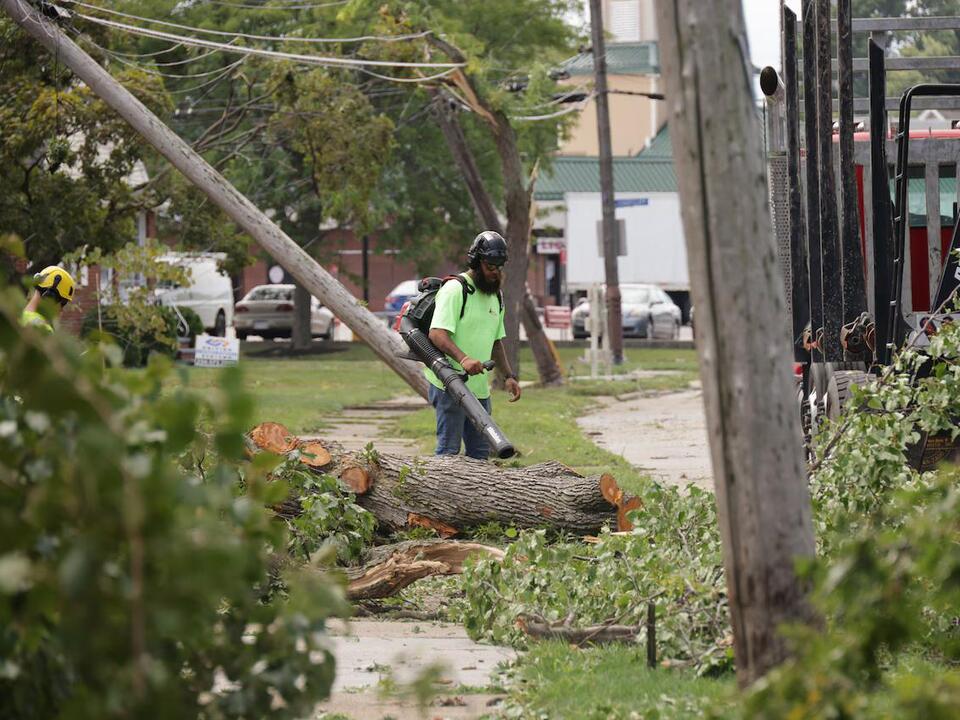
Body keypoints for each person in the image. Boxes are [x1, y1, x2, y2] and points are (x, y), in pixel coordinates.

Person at [426, 231, 522, 459]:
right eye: (490, 266)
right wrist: (463, 358)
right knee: (449, 450)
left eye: (499, 267)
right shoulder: (456, 290)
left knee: (480, 452)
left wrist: (509, 376)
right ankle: (439, 494)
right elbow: (437, 333)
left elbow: (496, 341)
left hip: (479, 389)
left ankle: (473, 495)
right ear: (476, 262)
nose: (495, 272)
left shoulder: (495, 297)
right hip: (449, 384)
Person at [21, 266, 76, 333]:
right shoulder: (44, 330)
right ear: (50, 297)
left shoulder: (15, 318)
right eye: (63, 304)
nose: (61, 311)